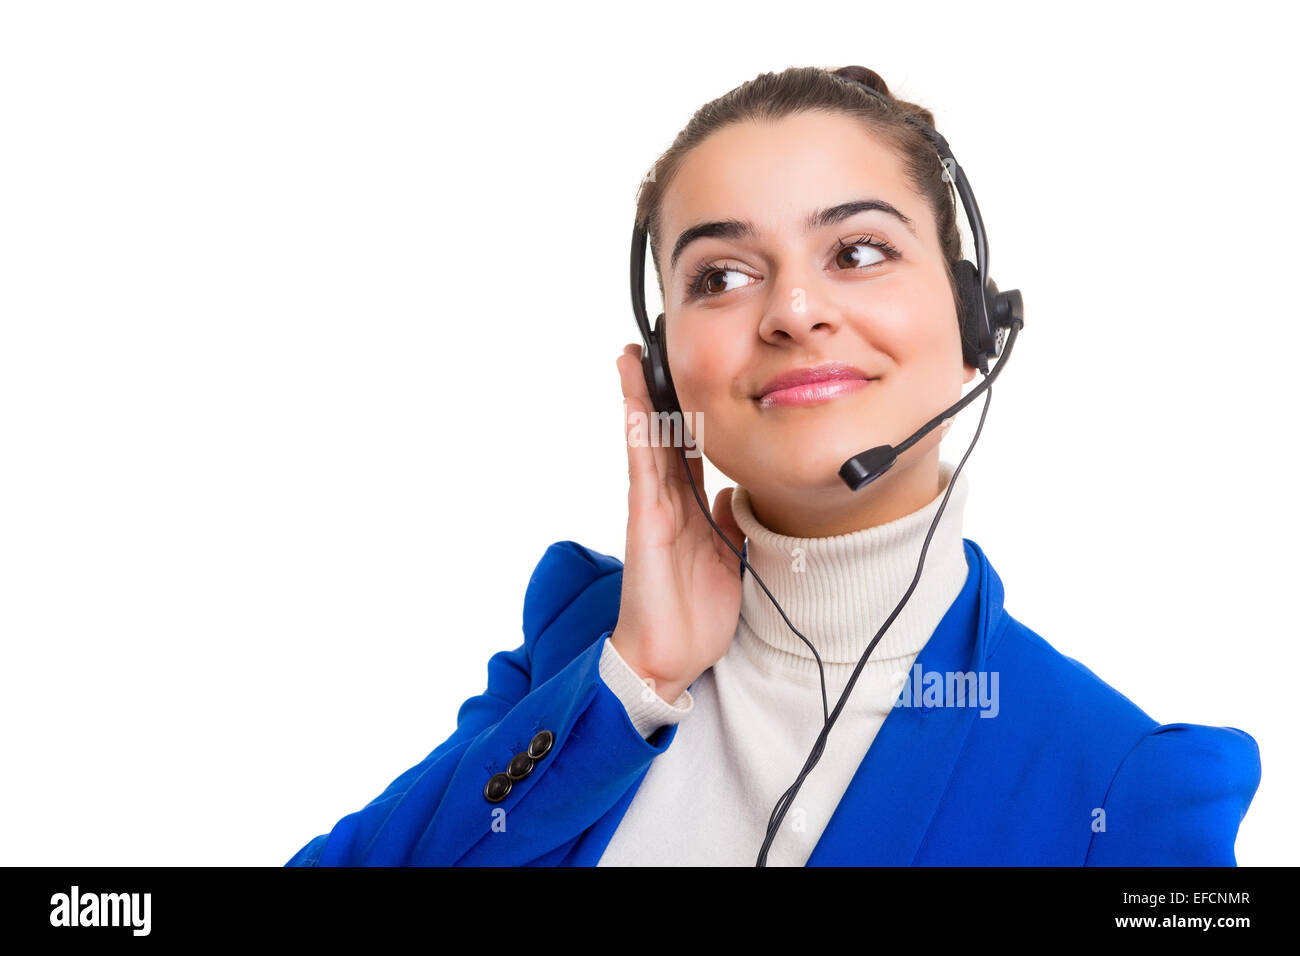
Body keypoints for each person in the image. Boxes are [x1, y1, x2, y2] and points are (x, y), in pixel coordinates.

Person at [283, 65, 1261, 867]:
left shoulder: (1119, 784)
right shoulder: (584, 644)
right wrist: (639, 678)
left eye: (859, 250)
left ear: (972, 324)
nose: (793, 309)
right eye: (722, 276)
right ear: (666, 368)